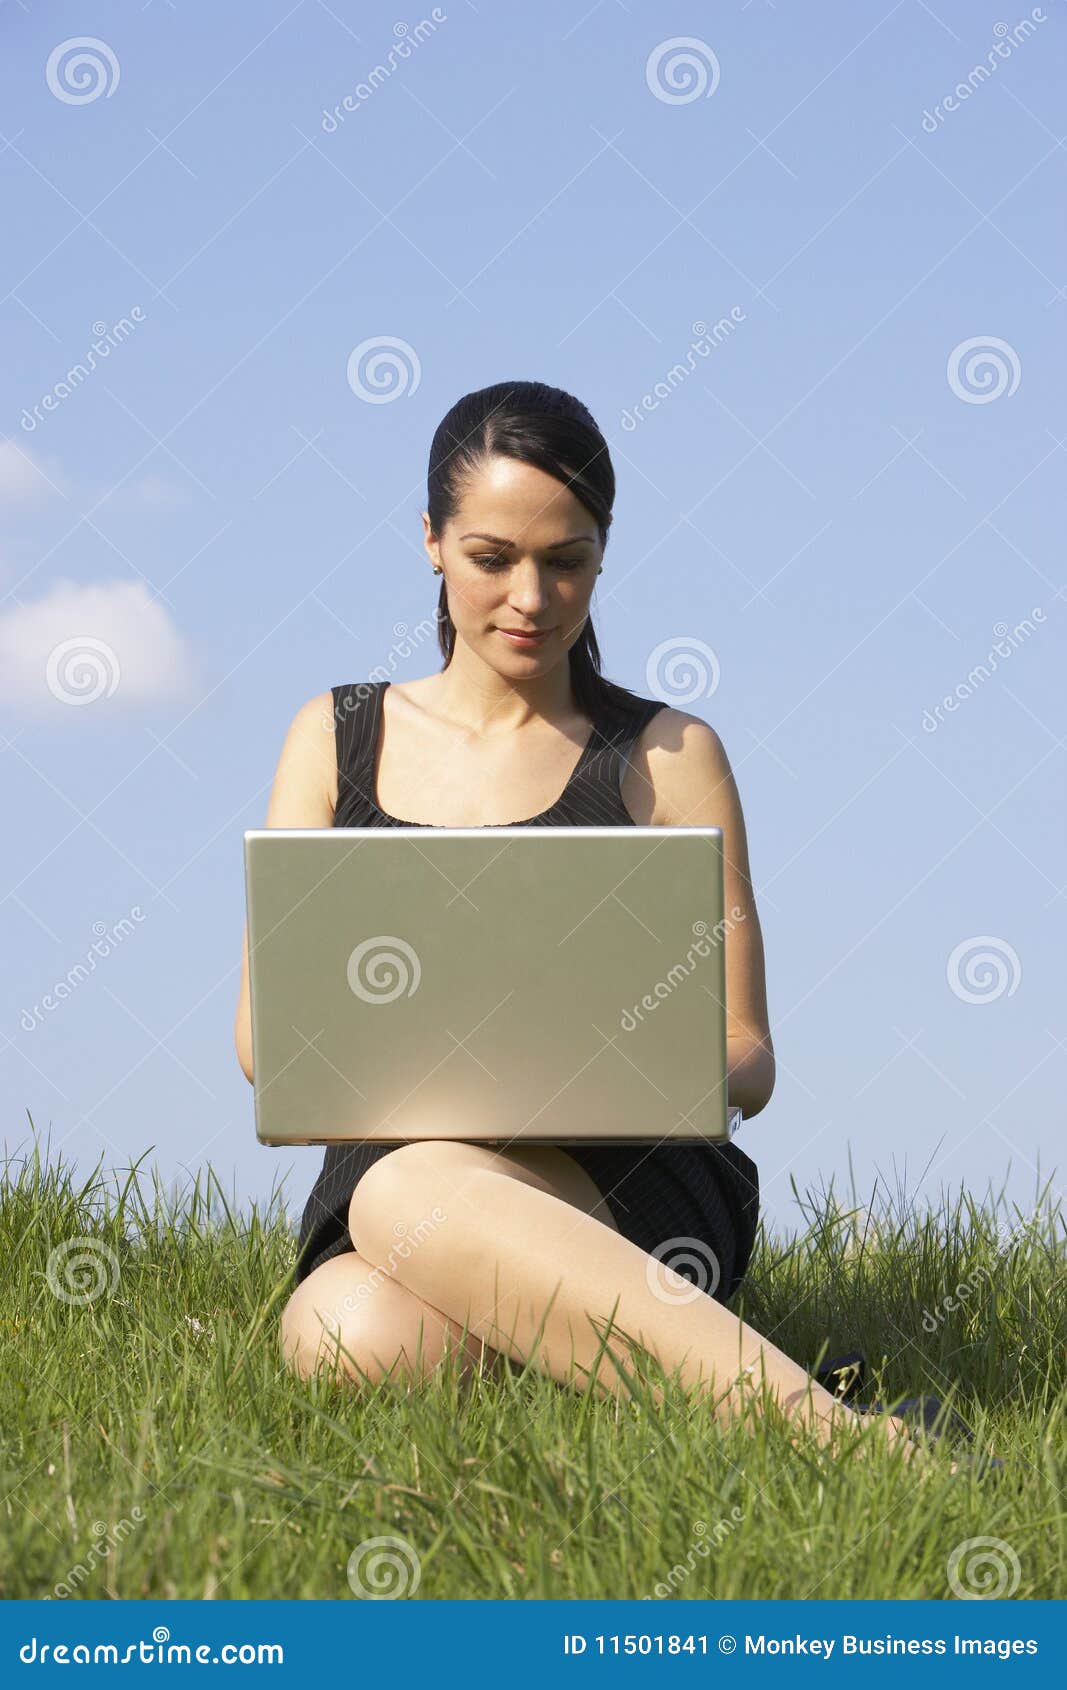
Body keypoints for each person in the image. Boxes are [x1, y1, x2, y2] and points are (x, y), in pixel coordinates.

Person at [233, 380, 907, 1452]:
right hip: (389, 1171)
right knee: (342, 1333)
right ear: (430, 541)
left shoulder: (668, 755)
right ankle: (669, 1362)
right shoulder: (333, 736)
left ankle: (834, 1438)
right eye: (491, 557)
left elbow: (746, 1055)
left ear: (602, 555)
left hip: (626, 1174)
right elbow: (268, 1041)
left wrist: (598, 1062)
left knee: (411, 1193)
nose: (531, 597)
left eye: (566, 561)